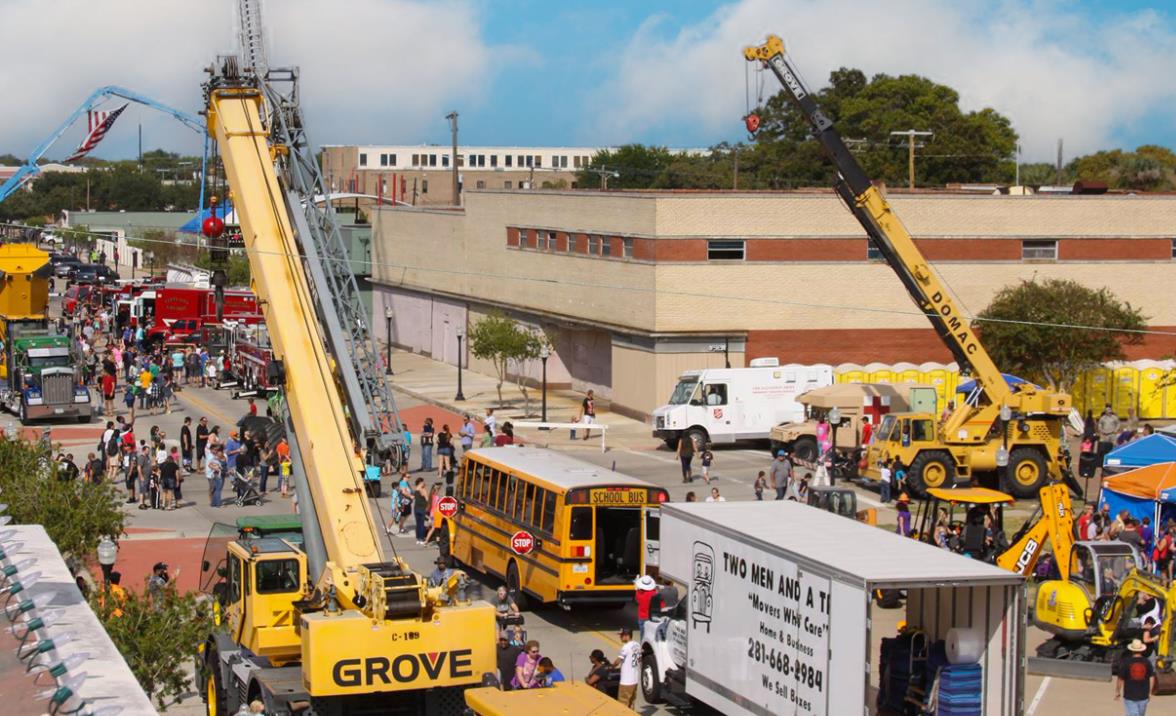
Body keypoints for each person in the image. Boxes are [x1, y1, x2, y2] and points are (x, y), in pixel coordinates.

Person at [1115, 638, 1155, 714]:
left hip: (1130, 695)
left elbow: (1120, 678)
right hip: (1143, 695)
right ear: (1142, 650)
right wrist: (1150, 692)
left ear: (1132, 650)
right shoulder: (1147, 662)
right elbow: (1152, 677)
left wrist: (1117, 691)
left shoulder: (1126, 662)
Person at [612, 627, 639, 707]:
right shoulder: (637, 645)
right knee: (631, 703)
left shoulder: (626, 647)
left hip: (626, 682)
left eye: (621, 635)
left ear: (627, 635)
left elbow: (618, 661)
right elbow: (639, 658)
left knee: (622, 704)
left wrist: (611, 666)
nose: (620, 637)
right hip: (634, 680)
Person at [412, 478, 430, 544]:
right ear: (420, 482)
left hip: (416, 508)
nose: (424, 483)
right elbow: (427, 499)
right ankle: (422, 538)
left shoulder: (416, 489)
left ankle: (418, 538)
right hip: (422, 508)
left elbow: (414, 497)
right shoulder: (423, 490)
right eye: (423, 482)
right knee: (422, 524)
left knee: (418, 524)